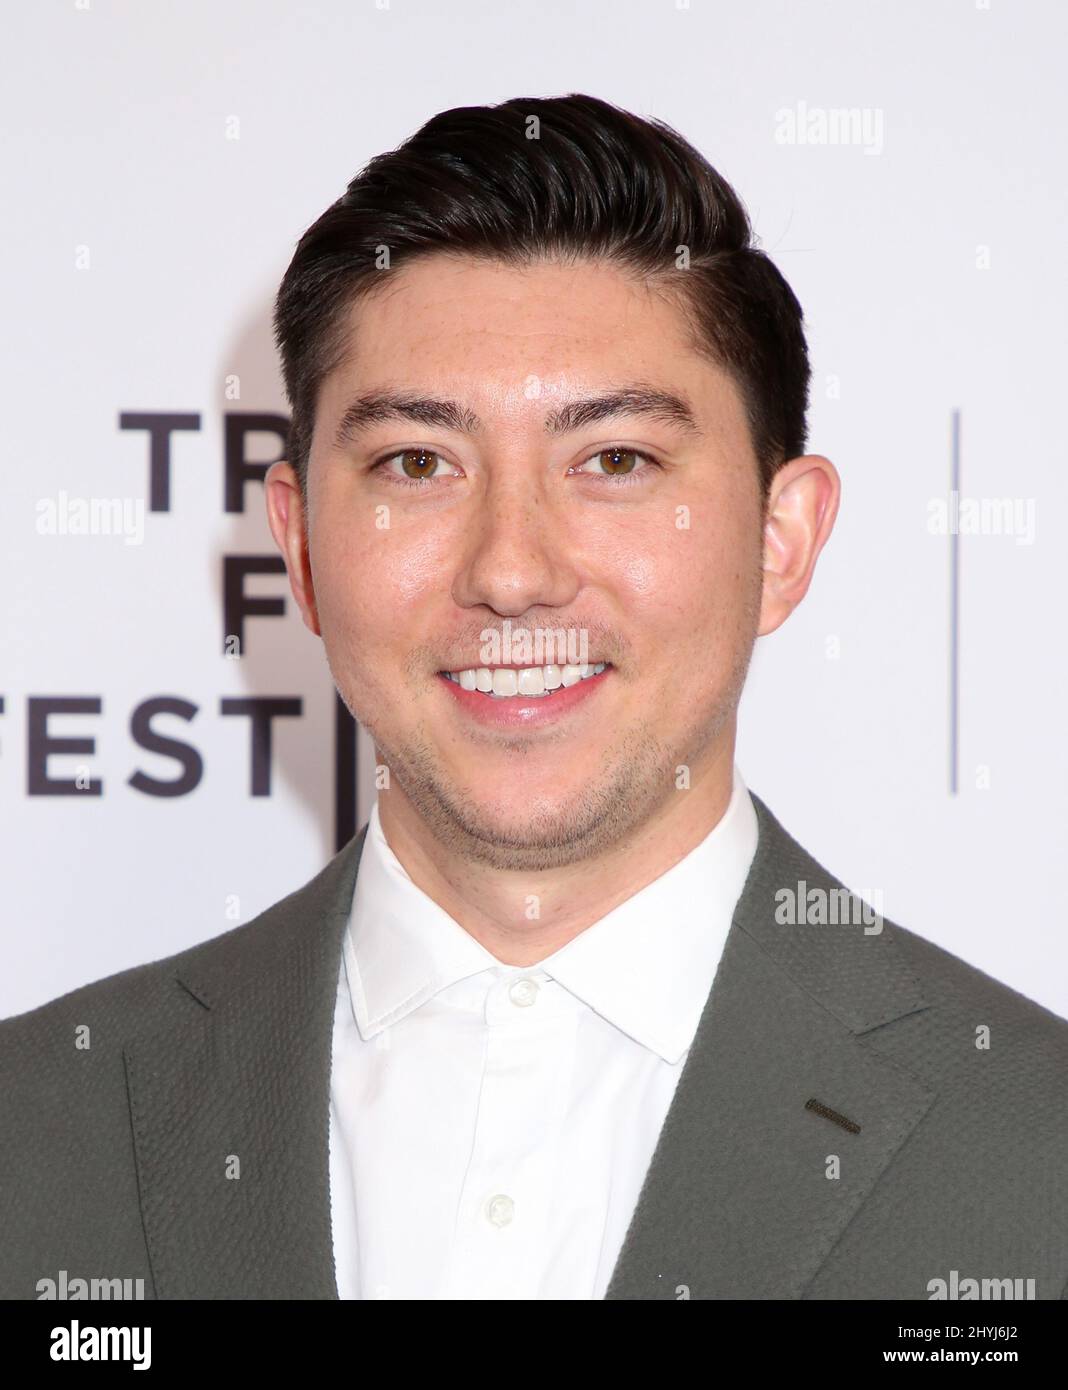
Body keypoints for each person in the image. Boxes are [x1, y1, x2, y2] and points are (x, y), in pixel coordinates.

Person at [3, 94, 1066, 1302]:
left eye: (615, 461)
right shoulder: (38, 1126)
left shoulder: (1036, 1149)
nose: (511, 570)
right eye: (418, 463)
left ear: (781, 540)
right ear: (298, 549)